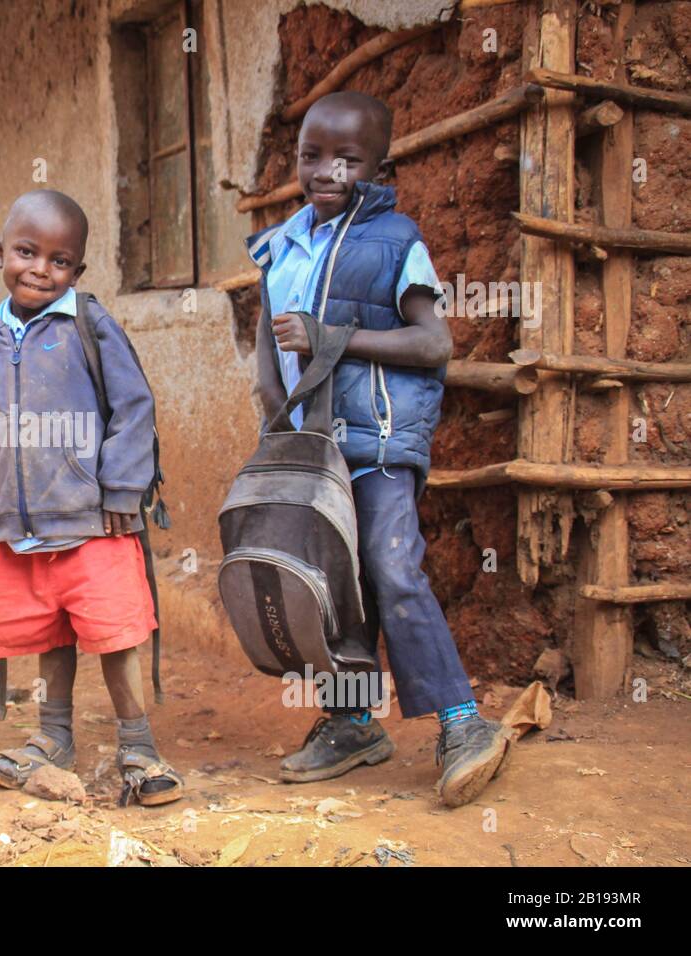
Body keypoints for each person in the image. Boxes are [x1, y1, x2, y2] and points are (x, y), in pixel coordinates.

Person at [247, 91, 511, 807]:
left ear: (378, 164)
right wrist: (277, 419)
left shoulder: (396, 241)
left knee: (392, 568)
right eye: (311, 155)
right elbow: (270, 347)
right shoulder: (280, 246)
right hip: (313, 447)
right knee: (335, 584)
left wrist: (334, 340)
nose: (326, 170)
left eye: (347, 158)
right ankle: (355, 720)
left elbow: (434, 344)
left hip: (382, 439)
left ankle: (464, 722)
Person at [0, 189, 183, 806]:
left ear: (78, 270)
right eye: (27, 252)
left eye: (60, 261)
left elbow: (135, 408)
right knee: (51, 637)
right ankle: (54, 738)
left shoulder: (89, 325)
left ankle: (138, 746)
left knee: (115, 633)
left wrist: (124, 488)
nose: (40, 270)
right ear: (0, 252)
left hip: (96, 524)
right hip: (23, 532)